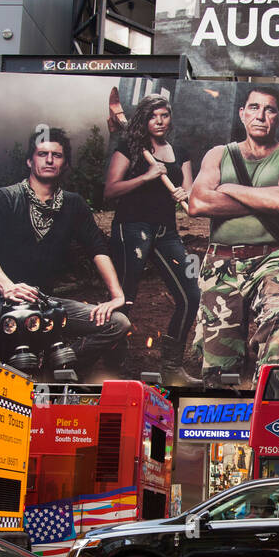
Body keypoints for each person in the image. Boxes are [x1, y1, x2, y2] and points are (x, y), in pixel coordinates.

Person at [0, 126, 129, 378]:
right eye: (42, 154)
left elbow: (97, 247)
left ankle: (53, 368)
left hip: (42, 302)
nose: (50, 160)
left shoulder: (73, 204)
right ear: (29, 160)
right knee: (25, 320)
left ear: (65, 164)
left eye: (57, 155)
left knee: (118, 323)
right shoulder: (4, 198)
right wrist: (8, 286)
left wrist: (117, 295)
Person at [187, 88, 279, 389]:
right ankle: (222, 433)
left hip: (271, 259)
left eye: (269, 109)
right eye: (254, 107)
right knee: (219, 371)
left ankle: (268, 411)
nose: (260, 115)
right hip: (221, 264)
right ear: (242, 113)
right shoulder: (218, 154)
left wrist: (227, 187)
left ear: (278, 118)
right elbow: (197, 204)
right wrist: (262, 198)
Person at [103, 94, 201, 386]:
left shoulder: (181, 152)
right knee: (124, 297)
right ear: (144, 120)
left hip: (166, 231)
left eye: (164, 115)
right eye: (152, 116)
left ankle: (171, 367)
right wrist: (146, 177)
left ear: (170, 118)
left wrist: (186, 194)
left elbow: (190, 193)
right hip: (131, 228)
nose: (159, 121)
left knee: (190, 295)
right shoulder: (130, 147)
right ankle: (112, 367)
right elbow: (110, 191)